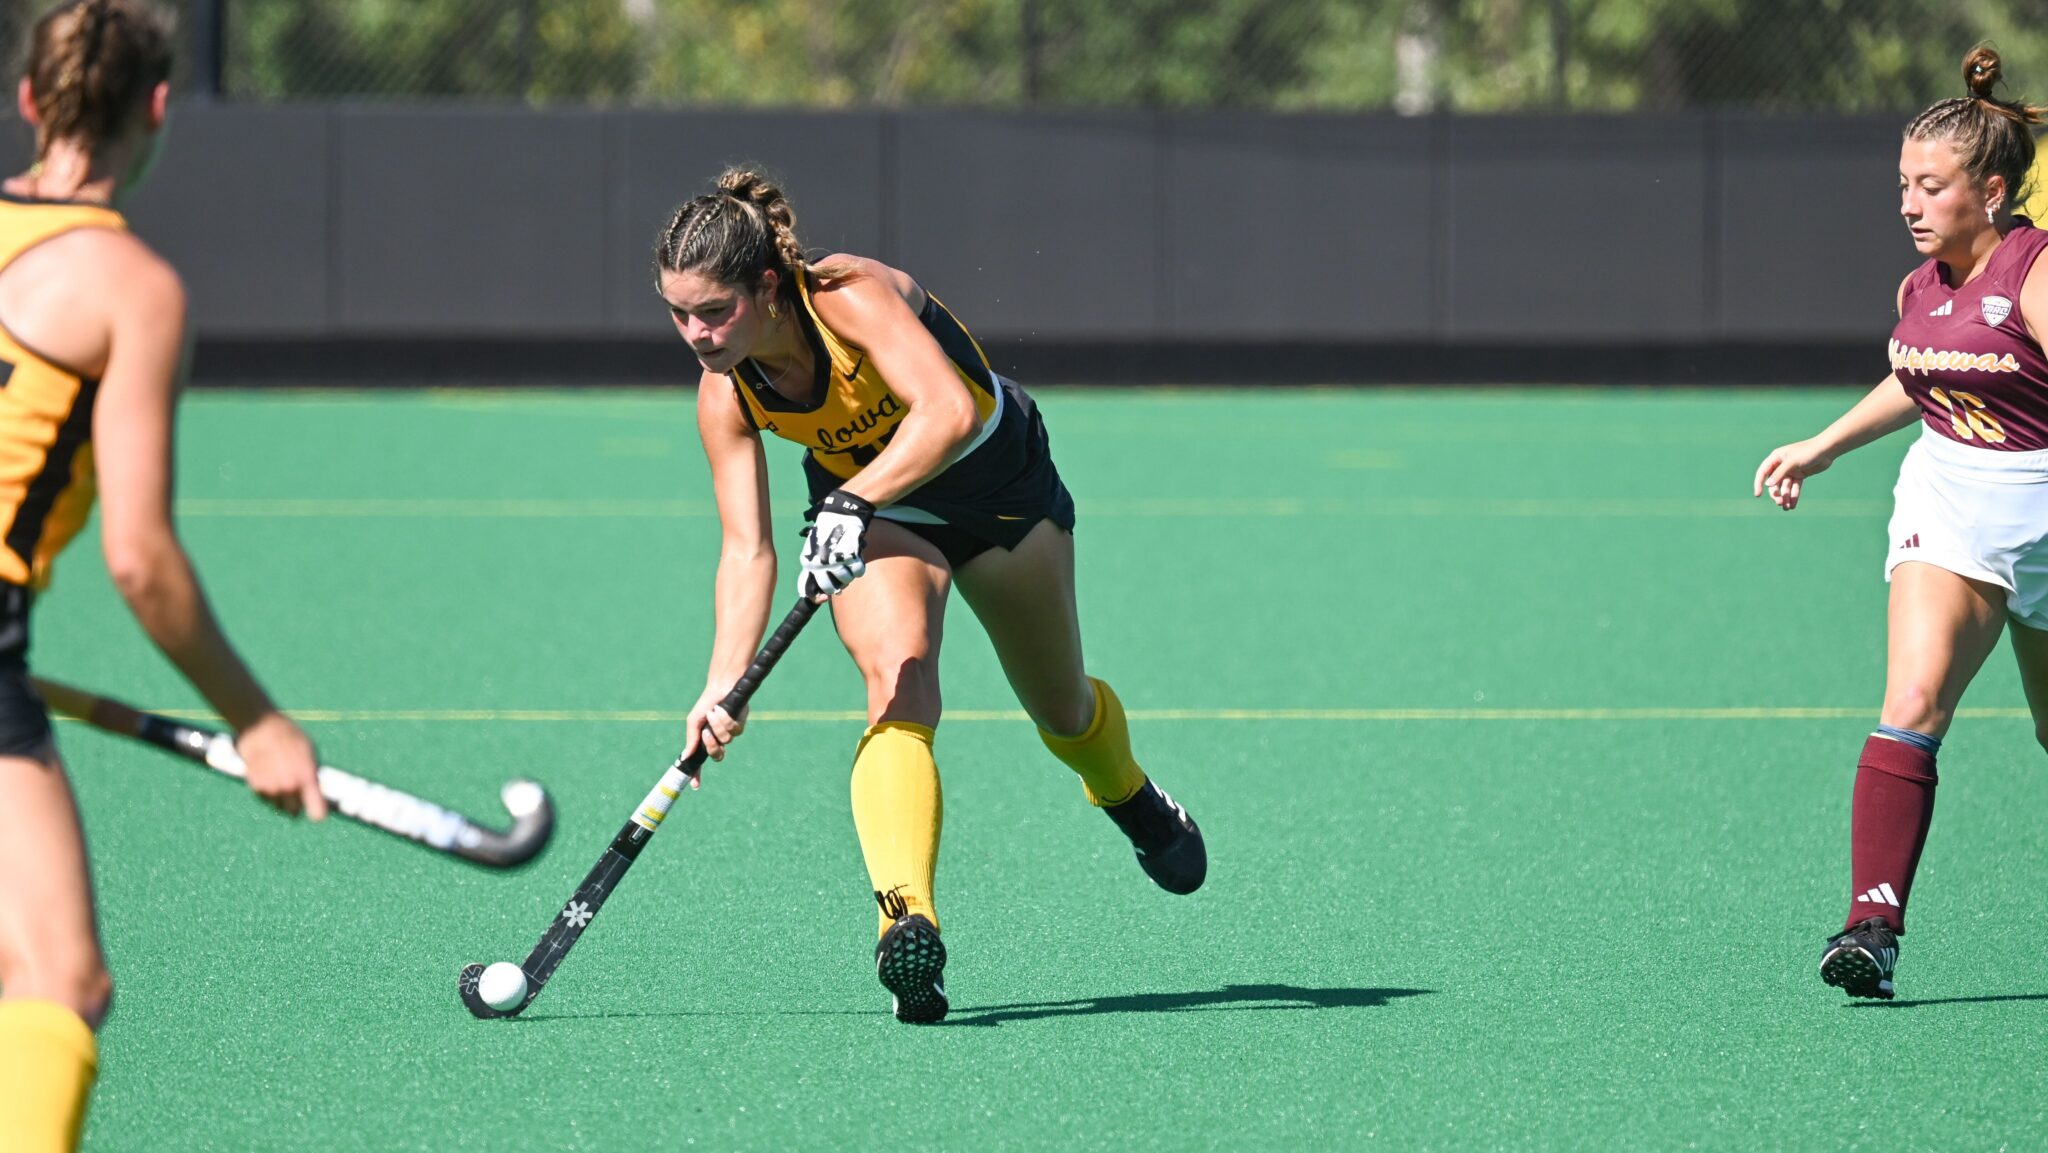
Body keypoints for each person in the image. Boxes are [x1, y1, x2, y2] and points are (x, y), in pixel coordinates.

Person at [655, 167, 1206, 1024]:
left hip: (996, 490)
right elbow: (747, 547)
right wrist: (723, 682)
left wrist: (851, 499)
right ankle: (905, 921)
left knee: (1061, 709)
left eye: (714, 311)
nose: (696, 333)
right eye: (679, 313)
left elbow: (948, 411)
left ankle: (1125, 789)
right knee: (897, 680)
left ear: (765, 287)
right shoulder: (725, 394)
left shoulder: (848, 297)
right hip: (881, 513)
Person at [0, 4, 327, 1148]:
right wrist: (258, 721)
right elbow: (140, 560)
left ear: (28, 100)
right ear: (156, 106)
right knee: (57, 982)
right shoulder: (130, 288)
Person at [1754, 46, 2048, 1001]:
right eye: (1903, 186)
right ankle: (1870, 927)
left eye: (1932, 187)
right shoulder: (1920, 286)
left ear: (1992, 191)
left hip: (2043, 516)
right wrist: (1825, 445)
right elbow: (1920, 374)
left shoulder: (2035, 274)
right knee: (1912, 701)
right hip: (1949, 503)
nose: (1910, 205)